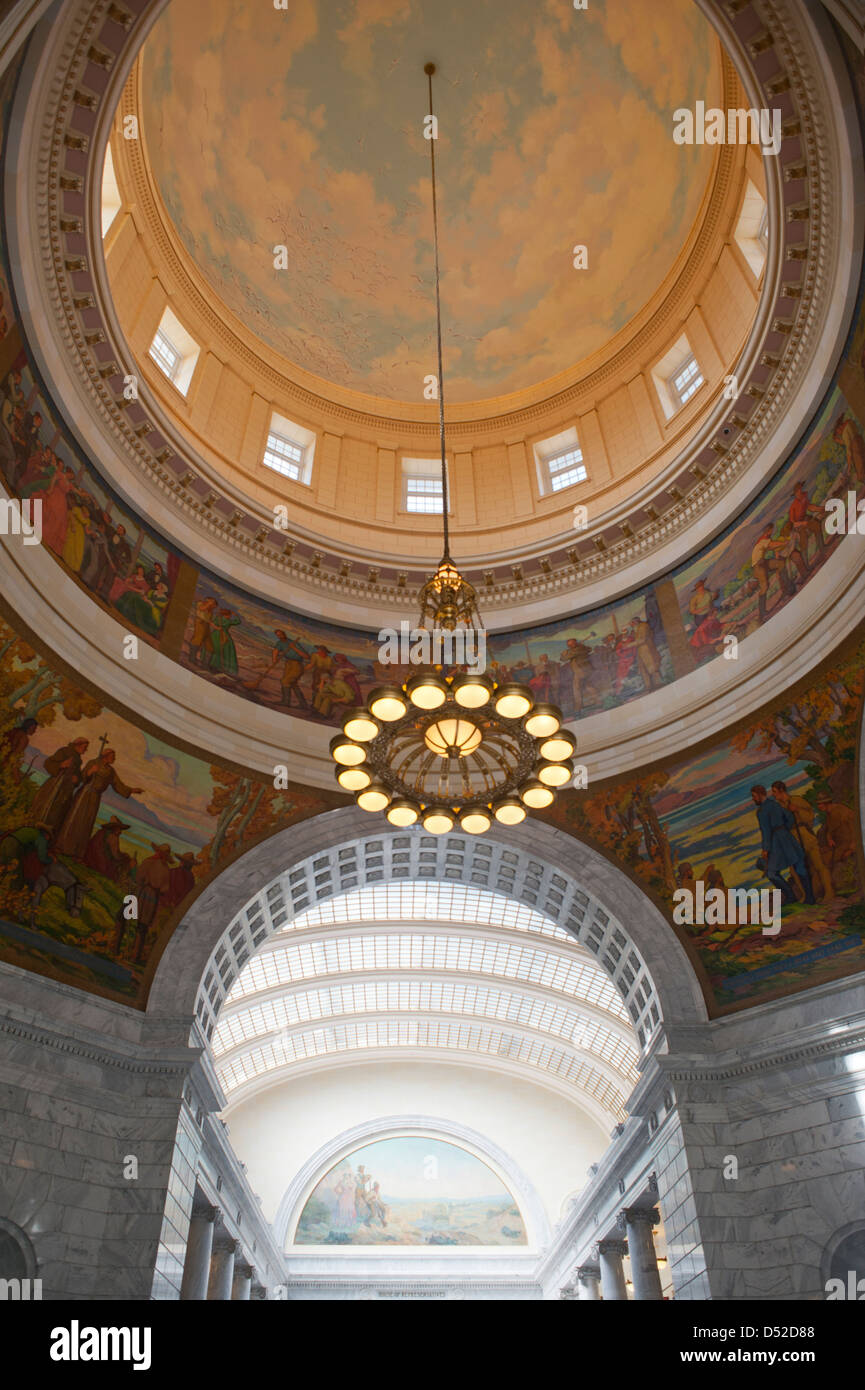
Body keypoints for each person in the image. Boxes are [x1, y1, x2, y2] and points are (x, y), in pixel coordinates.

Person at [53, 749, 142, 859]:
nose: (114, 758)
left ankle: (76, 853)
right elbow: (82, 777)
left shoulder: (110, 771)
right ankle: (61, 846)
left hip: (95, 798)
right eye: (112, 756)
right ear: (105, 756)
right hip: (84, 794)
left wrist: (132, 790)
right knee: (74, 818)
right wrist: (90, 772)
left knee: (87, 823)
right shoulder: (93, 763)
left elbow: (118, 785)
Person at [750, 784, 814, 904]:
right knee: (799, 866)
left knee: (771, 873)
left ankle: (790, 896)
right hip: (787, 838)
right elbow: (789, 817)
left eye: (754, 796)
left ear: (760, 795)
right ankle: (810, 897)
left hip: (776, 843)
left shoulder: (762, 811)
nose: (753, 799)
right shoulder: (776, 805)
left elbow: (766, 831)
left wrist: (765, 849)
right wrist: (784, 830)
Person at [770, 781, 834, 901]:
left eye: (774, 792)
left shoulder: (797, 800)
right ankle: (805, 895)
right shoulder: (777, 807)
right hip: (791, 838)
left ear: (781, 790)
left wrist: (797, 810)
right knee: (794, 870)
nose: (773, 795)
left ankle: (829, 892)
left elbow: (810, 816)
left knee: (818, 864)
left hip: (804, 834)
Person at [28, 737, 90, 838]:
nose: (85, 750)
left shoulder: (78, 759)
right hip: (55, 785)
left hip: (66, 790)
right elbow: (48, 763)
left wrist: (76, 779)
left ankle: (47, 836)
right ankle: (33, 831)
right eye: (84, 747)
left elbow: (77, 775)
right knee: (46, 806)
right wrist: (61, 764)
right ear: (77, 745)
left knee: (58, 813)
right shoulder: (64, 751)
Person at [751, 525, 794, 623]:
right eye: (771, 530)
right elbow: (772, 545)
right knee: (765, 586)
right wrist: (784, 543)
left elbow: (775, 546)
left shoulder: (767, 539)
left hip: (763, 562)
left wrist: (784, 544)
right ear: (768, 530)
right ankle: (762, 613)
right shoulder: (763, 540)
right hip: (758, 566)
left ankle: (788, 587)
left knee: (780, 564)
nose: (772, 531)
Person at [816, 791, 857, 890]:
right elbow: (830, 830)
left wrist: (851, 849)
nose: (819, 806)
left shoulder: (842, 811)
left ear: (826, 803)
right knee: (820, 856)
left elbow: (855, 828)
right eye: (818, 804)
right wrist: (829, 838)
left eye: (820, 804)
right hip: (838, 844)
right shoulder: (829, 813)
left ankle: (832, 888)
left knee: (828, 861)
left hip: (846, 844)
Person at [82, 815, 131, 882]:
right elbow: (115, 855)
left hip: (91, 858)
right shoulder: (112, 836)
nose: (120, 831)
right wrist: (125, 857)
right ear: (114, 828)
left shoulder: (101, 832)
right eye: (119, 828)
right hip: (99, 863)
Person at [272, 630, 309, 709]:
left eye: (281, 634)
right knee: (293, 684)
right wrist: (274, 659)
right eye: (278, 635)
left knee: (285, 681)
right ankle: (303, 704)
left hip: (297, 665)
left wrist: (294, 648)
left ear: (284, 634)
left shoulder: (293, 643)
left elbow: (306, 656)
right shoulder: (280, 643)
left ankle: (286, 702)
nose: (280, 636)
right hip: (288, 664)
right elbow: (276, 651)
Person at [558, 636, 595, 713]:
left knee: (576, 688)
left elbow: (563, 659)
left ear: (575, 643)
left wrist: (564, 653)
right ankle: (597, 700)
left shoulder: (577, 650)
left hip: (580, 672)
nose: (570, 646)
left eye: (571, 644)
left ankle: (578, 707)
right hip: (583, 671)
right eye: (569, 645)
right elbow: (589, 649)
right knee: (587, 686)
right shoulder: (581, 647)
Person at [632, 613, 662, 690]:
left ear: (636, 621)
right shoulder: (637, 628)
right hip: (641, 651)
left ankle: (658, 684)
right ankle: (648, 687)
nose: (632, 625)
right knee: (643, 669)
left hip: (647, 649)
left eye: (632, 623)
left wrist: (628, 645)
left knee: (652, 667)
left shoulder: (643, 626)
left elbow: (642, 639)